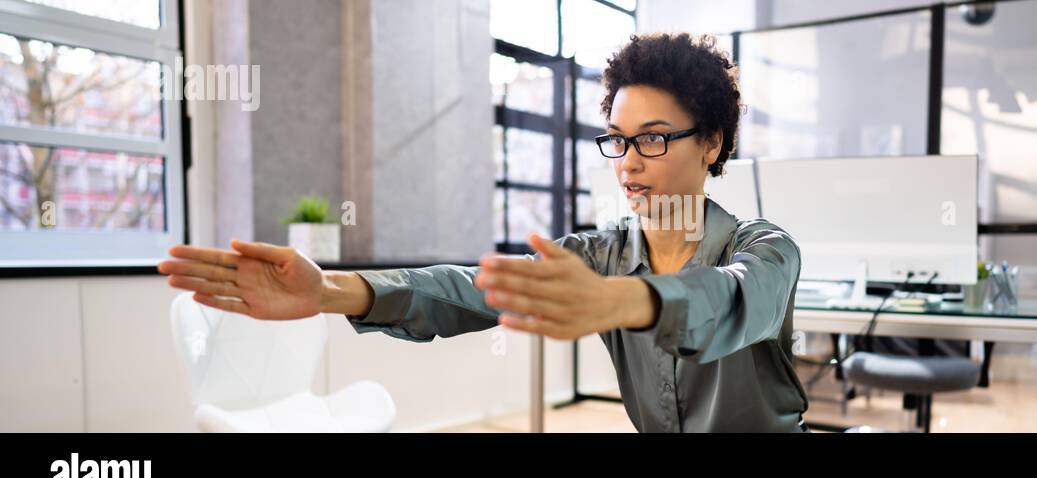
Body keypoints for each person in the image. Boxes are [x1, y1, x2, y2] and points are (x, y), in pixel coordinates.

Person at [158, 33, 808, 433]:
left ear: (712, 142)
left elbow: (730, 301)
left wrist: (627, 300)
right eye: (617, 139)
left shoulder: (765, 248)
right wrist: (329, 291)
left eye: (654, 139)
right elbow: (470, 288)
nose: (629, 163)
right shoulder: (602, 253)